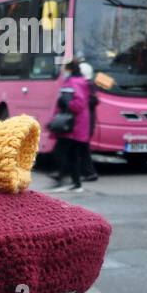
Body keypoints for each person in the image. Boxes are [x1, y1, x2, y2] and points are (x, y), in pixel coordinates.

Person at [50, 59, 90, 194]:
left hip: (73, 125)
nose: (62, 71)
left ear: (70, 69)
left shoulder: (75, 82)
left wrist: (66, 104)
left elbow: (79, 103)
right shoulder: (75, 81)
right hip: (72, 125)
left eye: (64, 68)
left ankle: (65, 179)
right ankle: (75, 183)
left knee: (61, 152)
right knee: (72, 155)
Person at [79, 60, 99, 182]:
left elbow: (93, 101)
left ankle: (89, 173)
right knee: (82, 149)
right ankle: (87, 172)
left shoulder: (88, 85)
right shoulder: (89, 84)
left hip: (85, 123)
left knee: (82, 149)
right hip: (87, 123)